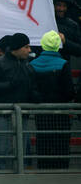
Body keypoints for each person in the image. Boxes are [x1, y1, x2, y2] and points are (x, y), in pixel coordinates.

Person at [0, 32, 37, 170]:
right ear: (17, 48)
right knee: (2, 149)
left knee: (21, 151)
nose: (29, 50)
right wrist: (10, 85)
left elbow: (32, 87)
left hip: (22, 114)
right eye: (26, 47)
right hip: (2, 113)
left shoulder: (27, 65)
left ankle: (19, 181)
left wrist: (35, 96)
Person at [29, 31, 74, 169]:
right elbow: (69, 91)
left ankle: (43, 170)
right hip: (61, 112)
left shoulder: (32, 64)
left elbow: (31, 89)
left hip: (41, 112)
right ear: (58, 46)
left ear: (42, 44)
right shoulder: (63, 64)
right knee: (61, 144)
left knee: (43, 142)